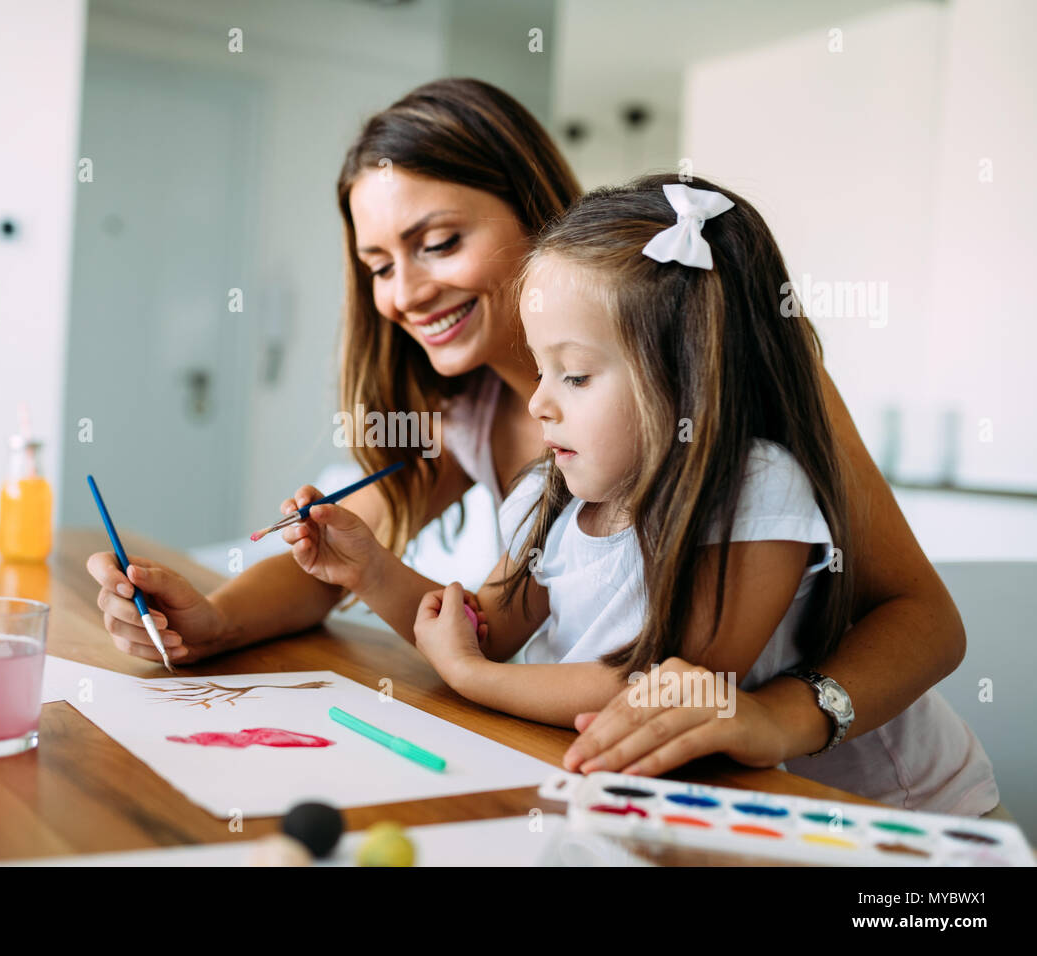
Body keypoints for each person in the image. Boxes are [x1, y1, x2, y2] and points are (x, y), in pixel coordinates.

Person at [88, 78, 969, 782]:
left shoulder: (734, 378)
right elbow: (348, 560)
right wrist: (210, 622)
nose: (405, 294)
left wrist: (777, 716)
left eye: (439, 242)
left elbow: (924, 620)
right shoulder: (469, 412)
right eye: (377, 265)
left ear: (537, 214)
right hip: (658, 779)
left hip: (845, 791)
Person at [405, 175, 997, 814]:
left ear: (687, 375)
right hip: (727, 800)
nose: (538, 403)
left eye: (574, 374)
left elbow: (663, 689)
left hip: (897, 813)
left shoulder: (753, 484)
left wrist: (473, 675)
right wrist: (380, 578)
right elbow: (486, 627)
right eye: (543, 369)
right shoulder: (559, 492)